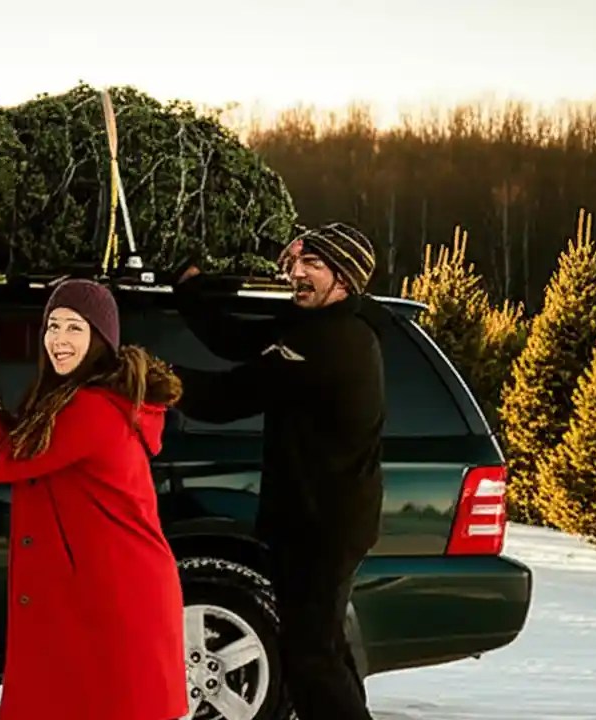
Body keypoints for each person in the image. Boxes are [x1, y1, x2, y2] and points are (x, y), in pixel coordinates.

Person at [169, 222, 386, 720]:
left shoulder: (335, 343)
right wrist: (190, 289)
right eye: (296, 263)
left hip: (323, 525)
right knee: (324, 648)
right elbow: (238, 339)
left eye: (313, 265)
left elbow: (229, 396)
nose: (297, 274)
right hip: (312, 519)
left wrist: (149, 375)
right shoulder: (313, 324)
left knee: (310, 656)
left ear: (344, 278)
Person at [0, 278, 189, 720]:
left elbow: (3, 462)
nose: (58, 340)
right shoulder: (77, 400)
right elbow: (27, 442)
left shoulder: (93, 409)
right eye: (52, 326)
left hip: (113, 601)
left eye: (74, 328)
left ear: (100, 339)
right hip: (100, 592)